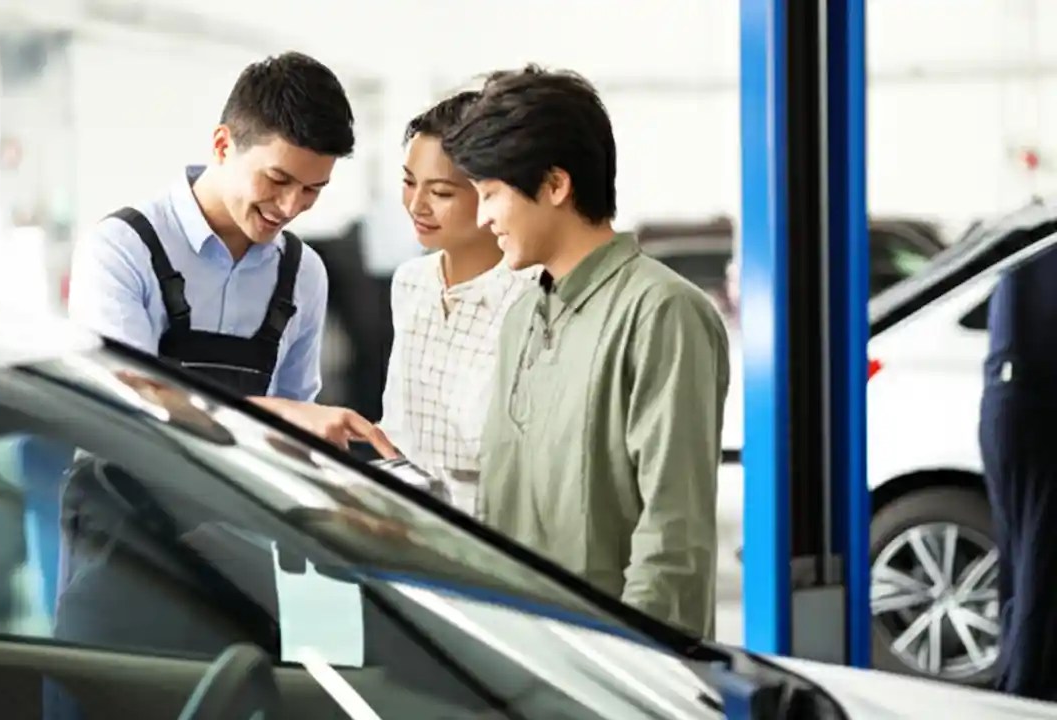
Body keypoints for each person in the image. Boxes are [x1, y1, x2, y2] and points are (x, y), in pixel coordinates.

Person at [440, 65, 730, 638]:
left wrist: (632, 669)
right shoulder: (522, 316)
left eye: (492, 193)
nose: (482, 217)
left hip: (614, 673)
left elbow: (673, 537)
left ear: (554, 185)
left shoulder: (663, 313)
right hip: (525, 656)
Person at [67, 51, 393, 456]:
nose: (291, 206)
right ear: (223, 146)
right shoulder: (121, 250)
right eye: (278, 179)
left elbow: (296, 423)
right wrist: (282, 414)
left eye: (312, 189)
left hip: (237, 508)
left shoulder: (304, 273)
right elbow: (128, 401)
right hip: (119, 503)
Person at [377, 90, 537, 514]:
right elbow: (399, 433)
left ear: (492, 193)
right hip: (407, 526)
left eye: (442, 192)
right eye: (409, 182)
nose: (416, 205)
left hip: (497, 540)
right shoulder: (410, 284)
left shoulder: (535, 298)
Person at [979, 243, 1057, 701]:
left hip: (1010, 407)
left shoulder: (1033, 243)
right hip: (1039, 412)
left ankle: (1014, 687)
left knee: (1025, 570)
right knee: (1041, 582)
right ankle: (1027, 692)